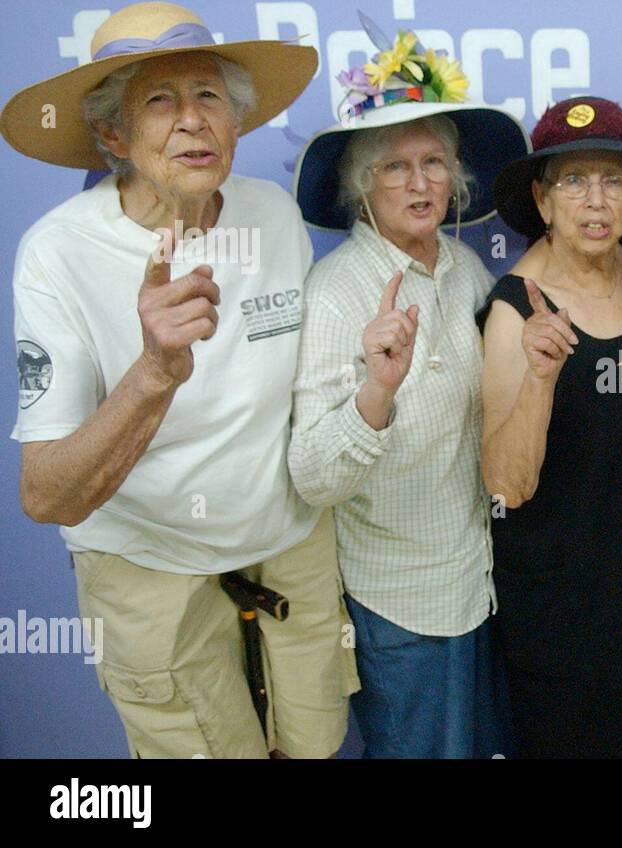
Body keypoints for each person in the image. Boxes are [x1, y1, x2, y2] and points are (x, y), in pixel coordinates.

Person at [2, 1, 355, 758]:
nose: (192, 121)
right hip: (148, 562)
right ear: (112, 135)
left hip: (288, 539)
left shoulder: (273, 214)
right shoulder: (56, 254)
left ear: (236, 120)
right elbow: (46, 495)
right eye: (159, 101)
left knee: (317, 744)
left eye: (208, 96)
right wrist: (154, 373)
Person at [289, 29, 529, 759]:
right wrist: (377, 391)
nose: (419, 183)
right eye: (394, 168)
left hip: (478, 584)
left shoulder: (465, 270)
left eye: (432, 163)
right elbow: (312, 474)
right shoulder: (336, 294)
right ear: (362, 187)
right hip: (396, 600)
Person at [480, 97, 622, 757]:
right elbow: (505, 484)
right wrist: (541, 378)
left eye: (615, 181)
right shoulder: (513, 311)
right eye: (574, 181)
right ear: (543, 202)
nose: (596, 200)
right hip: (561, 598)